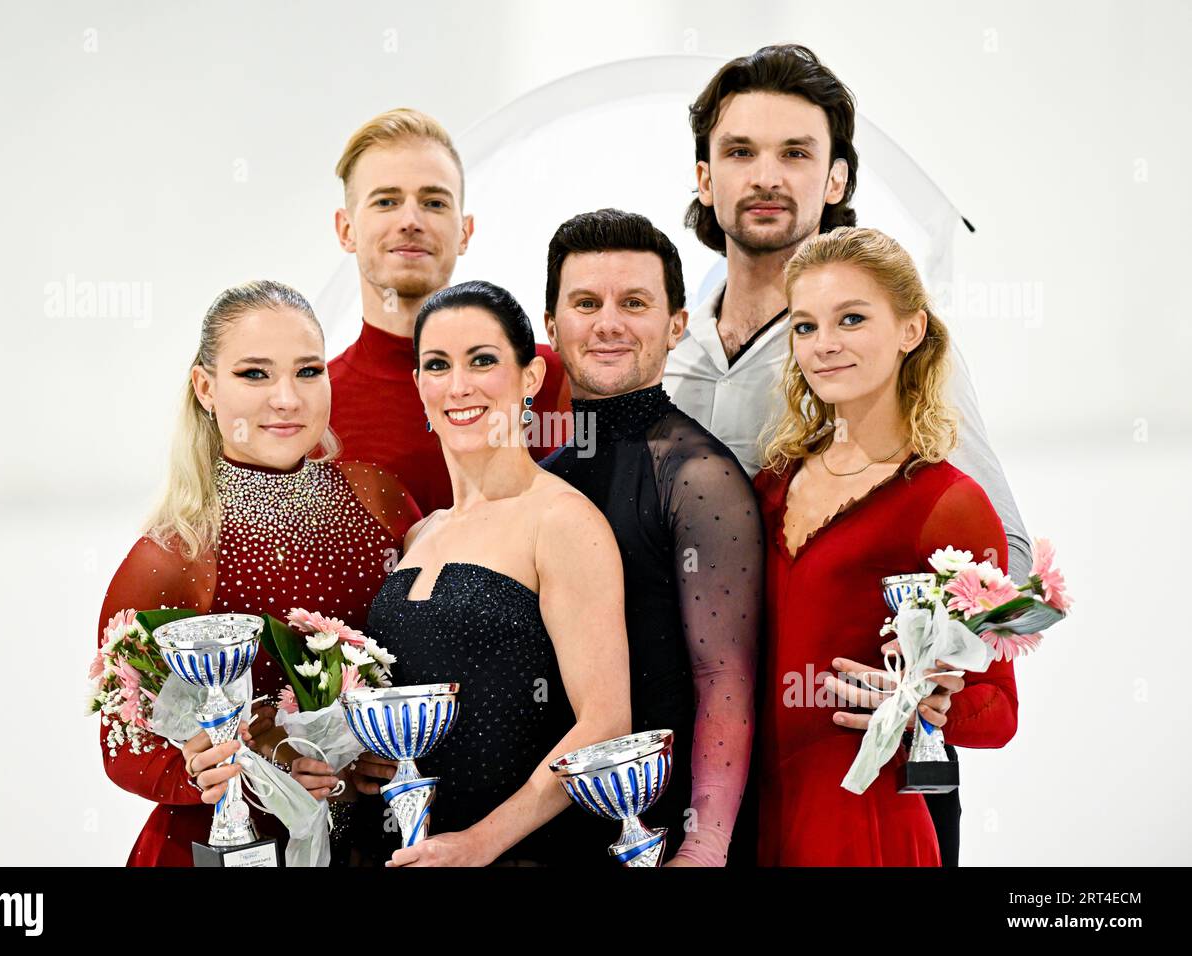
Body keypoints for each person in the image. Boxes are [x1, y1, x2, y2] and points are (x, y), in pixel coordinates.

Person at [663, 43, 1031, 864]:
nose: (766, 175)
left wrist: (928, 684)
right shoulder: (665, 346)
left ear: (836, 181)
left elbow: (996, 554)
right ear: (703, 177)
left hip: (870, 770)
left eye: (796, 153)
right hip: (719, 766)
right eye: (739, 152)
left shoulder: (895, 350)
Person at [96, 279, 420, 867]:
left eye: (308, 371)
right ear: (205, 388)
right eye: (254, 373)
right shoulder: (175, 551)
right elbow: (122, 743)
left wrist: (392, 749)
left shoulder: (379, 497)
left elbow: (423, 654)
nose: (288, 399)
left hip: (368, 846)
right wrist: (212, 767)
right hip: (218, 851)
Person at [752, 227, 1018, 866]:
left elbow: (1000, 710)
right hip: (758, 814)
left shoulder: (949, 502)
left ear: (910, 329)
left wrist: (929, 699)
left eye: (851, 319)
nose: (825, 345)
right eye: (806, 327)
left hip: (867, 819)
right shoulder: (768, 485)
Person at [357, 279, 631, 866]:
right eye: (438, 365)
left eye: (482, 361)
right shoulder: (419, 533)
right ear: (418, 386)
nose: (459, 386)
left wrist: (480, 843)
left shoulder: (562, 521)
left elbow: (606, 721)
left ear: (530, 378)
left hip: (519, 854)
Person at [540, 209, 761, 866]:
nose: (608, 323)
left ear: (675, 325)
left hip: (664, 833)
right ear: (552, 327)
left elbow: (726, 677)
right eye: (586, 302)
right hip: (557, 823)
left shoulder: (698, 476)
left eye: (633, 302)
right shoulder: (541, 473)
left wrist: (705, 844)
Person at [326, 108, 571, 514]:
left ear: (464, 231)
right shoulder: (315, 405)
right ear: (346, 229)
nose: (410, 220)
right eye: (386, 201)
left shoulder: (548, 377)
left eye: (434, 202)